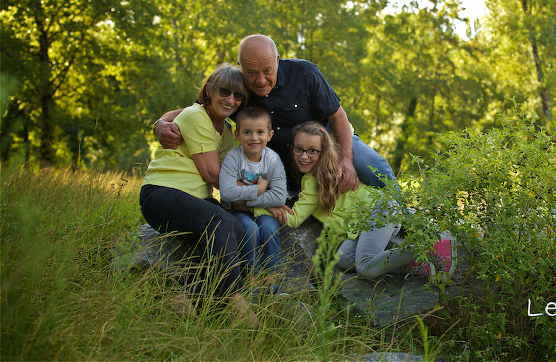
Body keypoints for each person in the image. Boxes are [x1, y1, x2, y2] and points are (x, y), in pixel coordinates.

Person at [153, 34, 397, 201]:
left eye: (267, 71)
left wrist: (345, 160)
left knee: (372, 167)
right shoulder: (235, 91)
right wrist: (160, 124)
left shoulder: (305, 72)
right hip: (286, 164)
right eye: (251, 72)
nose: (260, 80)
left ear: (277, 61)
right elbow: (192, 111)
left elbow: (338, 116)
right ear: (241, 66)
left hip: (329, 140)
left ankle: (410, 221)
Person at [256, 121, 455, 280]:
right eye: (298, 149)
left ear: (324, 151)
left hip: (380, 211)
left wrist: (261, 207)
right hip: (362, 224)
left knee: (366, 267)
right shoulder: (321, 173)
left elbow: (294, 219)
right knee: (343, 259)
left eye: (312, 151)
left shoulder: (319, 178)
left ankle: (431, 245)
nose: (304, 156)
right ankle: (416, 263)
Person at [139, 63, 258, 325]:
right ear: (209, 91)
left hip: (193, 200)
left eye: (237, 96)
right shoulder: (196, 117)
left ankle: (184, 297)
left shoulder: (226, 130)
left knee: (237, 231)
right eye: (225, 91)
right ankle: (236, 302)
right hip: (162, 193)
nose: (230, 100)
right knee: (221, 221)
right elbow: (212, 174)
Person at [219, 105, 286, 275]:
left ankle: (271, 279)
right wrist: (259, 188)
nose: (254, 138)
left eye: (260, 132)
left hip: (261, 210)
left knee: (269, 229)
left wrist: (245, 200)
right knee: (250, 230)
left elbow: (279, 197)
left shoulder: (272, 159)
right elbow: (226, 193)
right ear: (237, 134)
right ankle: (251, 279)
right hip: (234, 212)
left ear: (269, 135)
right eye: (247, 132)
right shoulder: (233, 158)